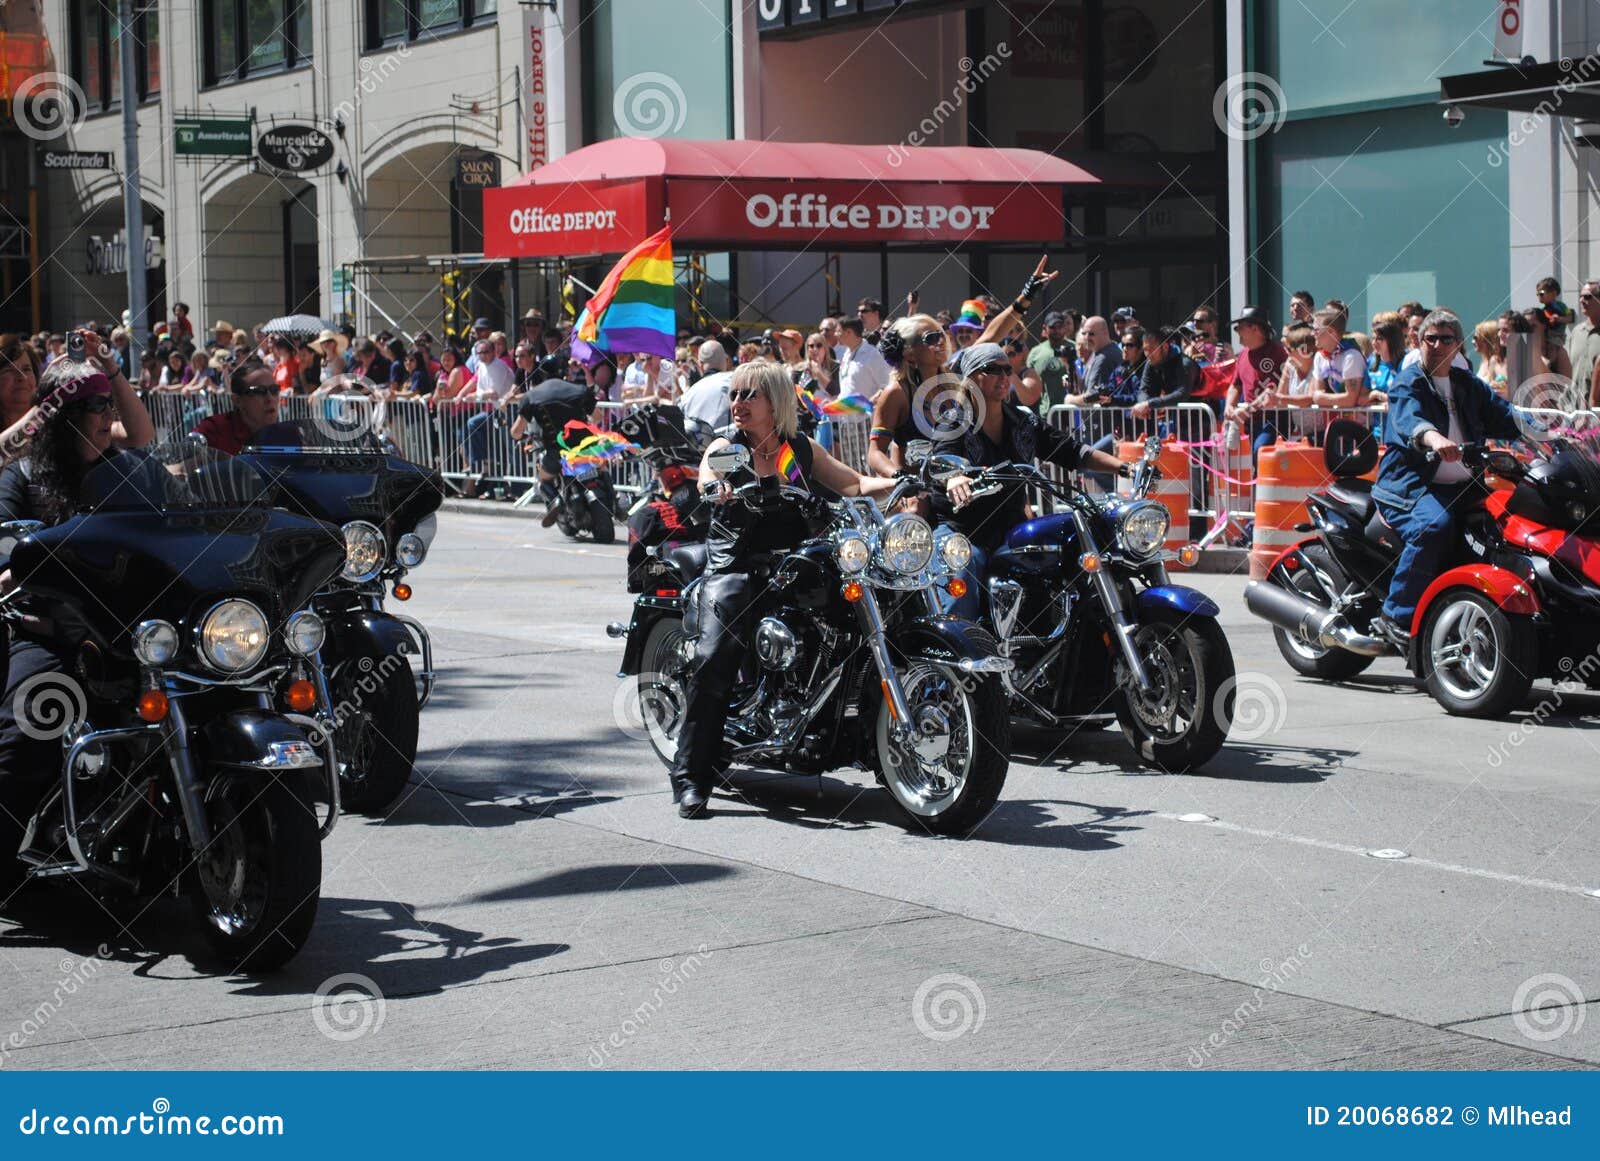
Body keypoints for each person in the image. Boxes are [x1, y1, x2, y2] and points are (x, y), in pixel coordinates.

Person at [668, 362, 898, 818]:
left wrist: (899, 484)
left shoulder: (798, 448)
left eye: (749, 395)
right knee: (714, 659)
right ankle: (692, 775)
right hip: (737, 565)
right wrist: (720, 488)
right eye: (734, 395)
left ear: (776, 402)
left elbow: (853, 483)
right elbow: (709, 478)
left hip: (793, 562)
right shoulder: (728, 447)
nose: (738, 404)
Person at [935, 342, 1131, 619]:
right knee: (964, 571)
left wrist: (1124, 468)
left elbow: (1074, 452)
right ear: (970, 378)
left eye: (1007, 369)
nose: (1004, 377)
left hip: (1011, 529)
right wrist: (954, 478)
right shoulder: (954, 423)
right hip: (964, 531)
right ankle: (960, 653)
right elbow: (943, 458)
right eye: (993, 369)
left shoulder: (1023, 423)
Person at [1370, 310, 1528, 647]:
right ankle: (1395, 614)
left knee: (1512, 525)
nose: (1438, 345)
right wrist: (1433, 437)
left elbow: (1507, 418)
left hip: (1464, 487)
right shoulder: (1408, 382)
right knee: (1434, 527)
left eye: (1446, 339)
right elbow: (1409, 419)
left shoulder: (1467, 385)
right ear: (1419, 341)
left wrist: (1554, 426)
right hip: (1411, 487)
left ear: (1458, 346)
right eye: (1431, 338)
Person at [866, 313, 950, 478]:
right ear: (910, 354)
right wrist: (900, 478)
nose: (941, 341)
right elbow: (875, 453)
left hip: (957, 487)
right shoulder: (896, 394)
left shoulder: (955, 384)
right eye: (931, 338)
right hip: (919, 494)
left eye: (941, 334)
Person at [510, 371, 598, 527]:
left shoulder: (531, 397)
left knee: (543, 480)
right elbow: (598, 416)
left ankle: (554, 501)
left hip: (557, 449)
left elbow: (516, 431)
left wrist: (521, 437)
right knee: (602, 470)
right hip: (586, 446)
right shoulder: (580, 389)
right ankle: (616, 500)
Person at [1222, 306, 1288, 464]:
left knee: (1260, 452)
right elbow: (1235, 384)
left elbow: (1271, 391)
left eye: (1240, 328)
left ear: (1256, 329)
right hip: (1253, 421)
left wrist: (1247, 410)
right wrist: (1229, 405)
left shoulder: (1278, 354)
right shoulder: (1243, 354)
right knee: (1257, 458)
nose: (1237, 332)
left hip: (1274, 420)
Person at [192, 359, 283, 454]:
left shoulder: (289, 435)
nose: (270, 399)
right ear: (237, 400)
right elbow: (179, 466)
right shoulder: (213, 430)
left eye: (274, 390)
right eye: (259, 391)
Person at [1131, 327, 1200, 427]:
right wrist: (1143, 404)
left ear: (1165, 347)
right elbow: (1144, 390)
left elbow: (1182, 393)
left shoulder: (1184, 363)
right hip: (1175, 419)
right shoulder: (1150, 363)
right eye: (1145, 350)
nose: (1148, 355)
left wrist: (1149, 404)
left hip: (1199, 418)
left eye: (1152, 350)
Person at [1307, 306, 1368, 409]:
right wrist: (1321, 398)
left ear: (1331, 332)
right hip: (1334, 418)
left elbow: (1350, 400)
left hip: (1359, 420)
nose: (1312, 334)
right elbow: (1319, 397)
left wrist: (1322, 398)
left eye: (1316, 330)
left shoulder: (1351, 356)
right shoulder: (1319, 357)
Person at [679, 340, 735, 429]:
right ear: (726, 360)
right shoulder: (738, 381)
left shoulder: (687, 396)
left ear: (700, 365)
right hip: (732, 441)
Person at [835, 316, 891, 400]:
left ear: (849, 332)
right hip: (845, 412)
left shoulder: (872, 354)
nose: (835, 334)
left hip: (868, 412)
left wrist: (870, 402)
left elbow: (886, 385)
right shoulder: (846, 354)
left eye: (838, 331)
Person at [1027, 310, 1072, 413]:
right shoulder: (1035, 353)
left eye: (1059, 327)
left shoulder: (1075, 348)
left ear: (1065, 328)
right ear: (1045, 328)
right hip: (1044, 413)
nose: (1056, 331)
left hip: (1071, 412)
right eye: (1052, 327)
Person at [1568, 281, 1600, 404]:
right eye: (1580, 296)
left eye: (1587, 297)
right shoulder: (1577, 332)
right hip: (1575, 411)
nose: (1581, 300)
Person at [1472, 319, 1508, 398]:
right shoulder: (1483, 362)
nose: (1473, 341)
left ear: (1486, 339)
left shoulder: (1499, 362)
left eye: (1476, 337)